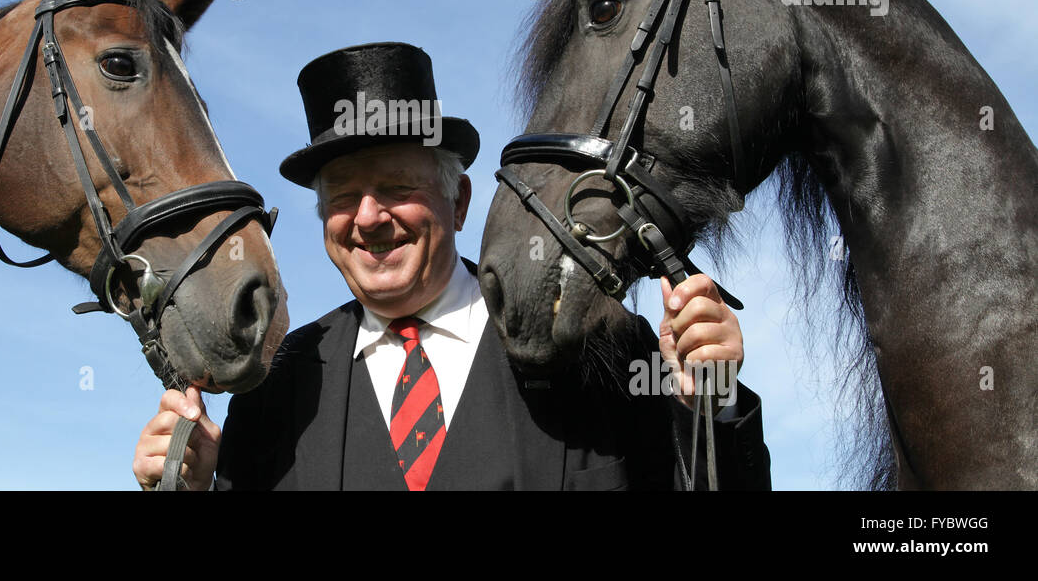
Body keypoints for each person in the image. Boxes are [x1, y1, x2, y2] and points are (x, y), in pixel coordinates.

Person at [134, 42, 770, 490]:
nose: (370, 217)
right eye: (344, 197)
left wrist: (712, 403)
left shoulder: (604, 349)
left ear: (459, 201)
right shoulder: (276, 388)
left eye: (395, 187)